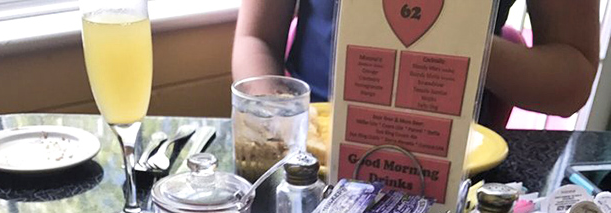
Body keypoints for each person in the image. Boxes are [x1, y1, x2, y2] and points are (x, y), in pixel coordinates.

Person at [231, 0, 600, 124]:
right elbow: (256, 38)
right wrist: (279, 125)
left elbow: (572, 81)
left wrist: (454, 38)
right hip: (312, 148)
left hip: (455, 165)